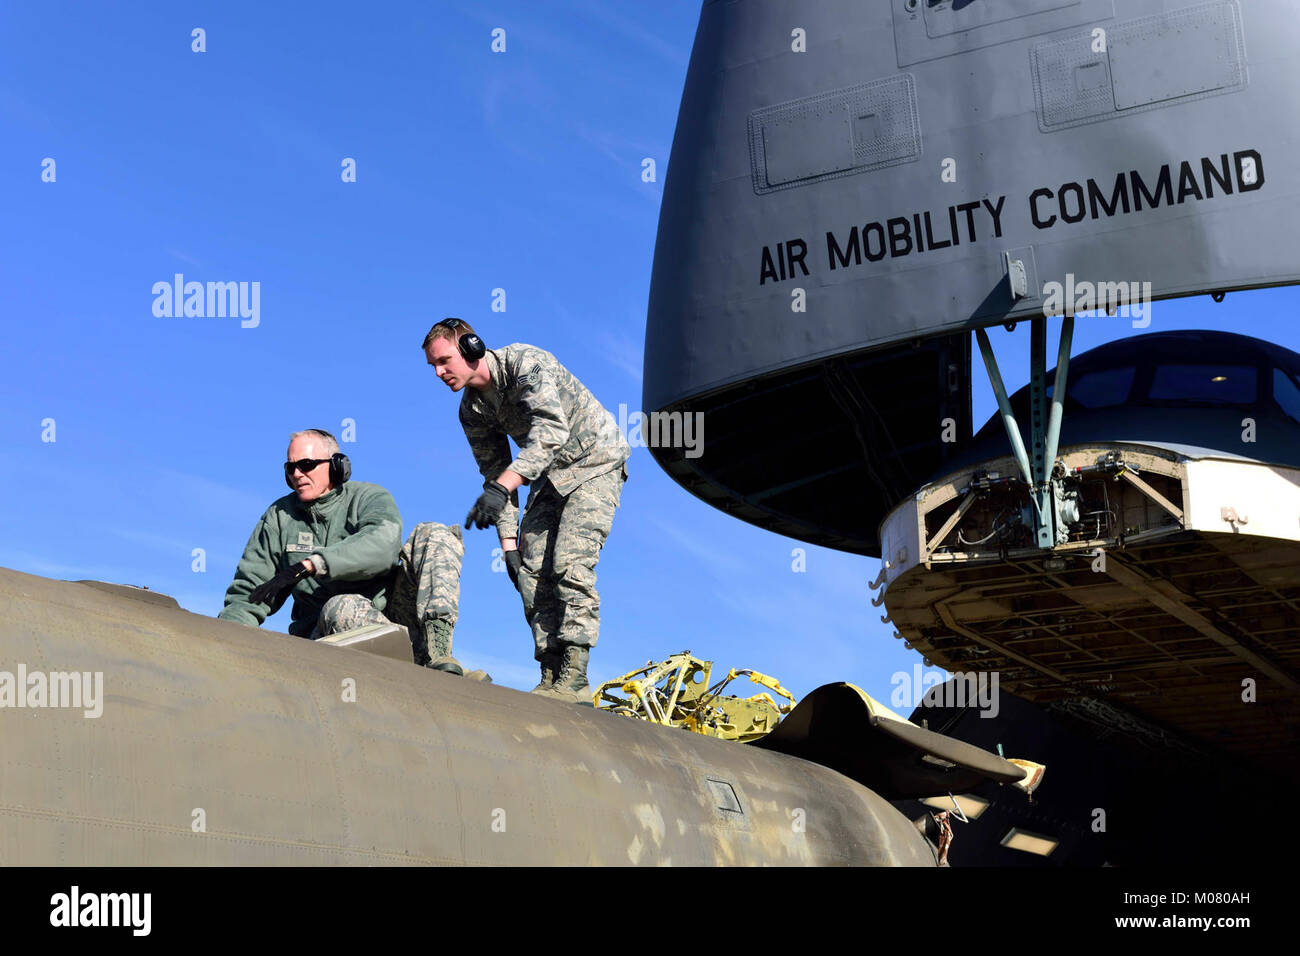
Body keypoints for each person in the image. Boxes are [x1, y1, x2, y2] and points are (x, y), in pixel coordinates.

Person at [422, 318, 629, 704]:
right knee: (531, 570)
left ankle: (575, 676)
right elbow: (494, 473)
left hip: (595, 463)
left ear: (471, 347)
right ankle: (551, 673)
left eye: (445, 360)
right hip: (549, 476)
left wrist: (503, 487)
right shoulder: (472, 410)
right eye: (433, 366)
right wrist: (509, 545)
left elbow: (552, 433)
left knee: (570, 562)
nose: (439, 372)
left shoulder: (526, 364)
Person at [218, 428, 487, 680]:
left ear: (336, 466)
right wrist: (222, 644)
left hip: (394, 624)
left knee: (435, 533)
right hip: (323, 635)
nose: (297, 474)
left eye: (307, 465)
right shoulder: (280, 517)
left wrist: (316, 563)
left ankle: (436, 650)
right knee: (342, 606)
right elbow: (248, 594)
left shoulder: (368, 498)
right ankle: (412, 663)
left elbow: (382, 545)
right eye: (291, 468)